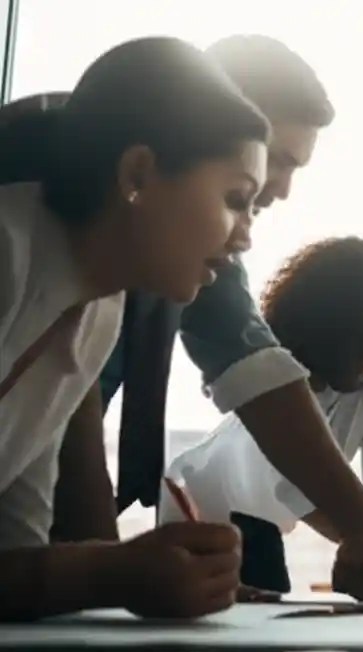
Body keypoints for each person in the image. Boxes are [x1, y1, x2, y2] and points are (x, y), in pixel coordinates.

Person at [45, 35, 363, 600]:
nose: (281, 190)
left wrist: (109, 581)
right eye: (275, 161)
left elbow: (256, 368)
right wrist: (110, 579)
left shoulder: (176, 251)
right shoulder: (35, 242)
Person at [0, 36, 267, 620]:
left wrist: (145, 575)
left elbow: (16, 552)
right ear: (138, 174)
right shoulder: (7, 251)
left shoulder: (96, 315)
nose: (245, 236)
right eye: (235, 198)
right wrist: (109, 573)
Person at [158, 237, 363, 591]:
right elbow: (293, 489)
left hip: (262, 522)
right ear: (348, 323)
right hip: (202, 512)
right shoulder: (283, 390)